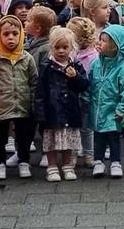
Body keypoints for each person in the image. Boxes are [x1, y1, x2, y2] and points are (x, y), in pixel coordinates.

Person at [0, 15, 38, 180]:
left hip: (23, 104)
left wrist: (34, 103)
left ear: (21, 34)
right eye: (6, 34)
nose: (11, 38)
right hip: (1, 105)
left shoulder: (26, 58)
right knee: (0, 136)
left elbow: (34, 82)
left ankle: (24, 161)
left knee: (23, 135)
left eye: (15, 33)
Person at [33, 27, 90, 182]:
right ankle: (51, 166)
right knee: (51, 142)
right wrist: (40, 113)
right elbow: (40, 91)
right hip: (52, 111)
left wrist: (75, 77)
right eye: (57, 47)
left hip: (70, 111)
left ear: (71, 48)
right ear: (52, 47)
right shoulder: (46, 66)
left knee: (68, 141)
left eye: (65, 47)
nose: (61, 51)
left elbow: (84, 85)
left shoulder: (75, 66)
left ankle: (67, 165)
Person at [90, 25, 124, 179]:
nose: (99, 43)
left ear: (116, 46)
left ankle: (116, 162)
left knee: (113, 137)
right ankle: (98, 161)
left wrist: (122, 109)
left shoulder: (123, 68)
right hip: (97, 109)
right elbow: (89, 84)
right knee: (98, 137)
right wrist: (85, 100)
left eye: (104, 41)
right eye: (100, 40)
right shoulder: (96, 64)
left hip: (113, 110)